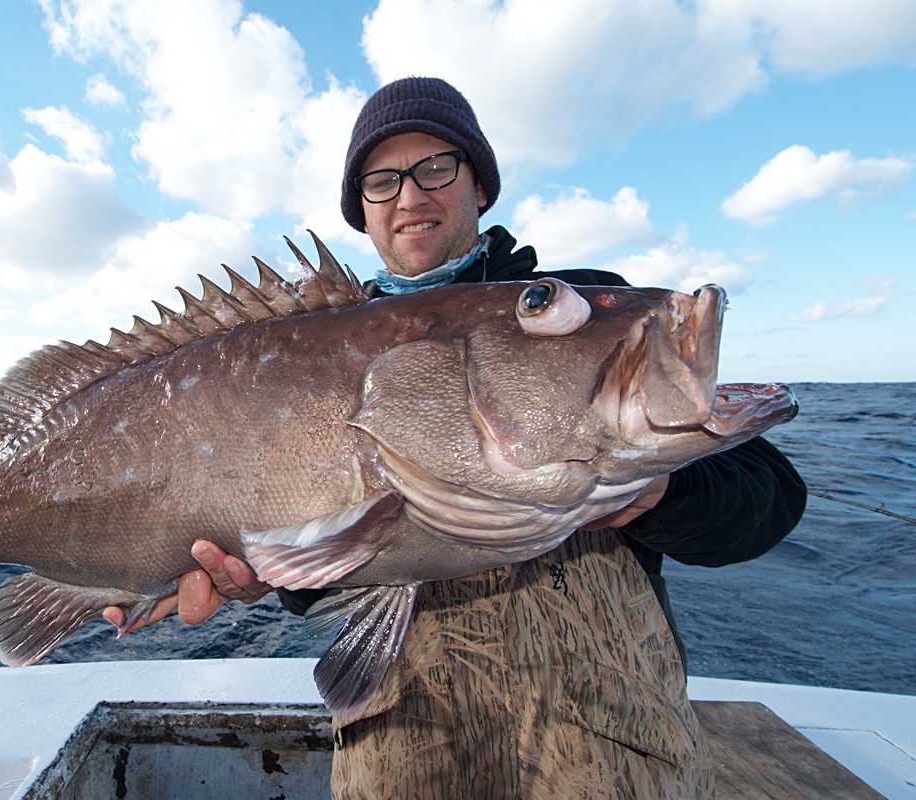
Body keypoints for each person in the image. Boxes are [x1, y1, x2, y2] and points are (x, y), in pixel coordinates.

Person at [104, 77, 807, 798]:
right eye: (382, 181)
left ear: (480, 185)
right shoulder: (304, 346)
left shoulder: (589, 301)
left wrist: (659, 490)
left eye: (436, 167)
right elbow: (313, 591)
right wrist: (259, 574)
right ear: (363, 211)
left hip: (609, 754)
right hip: (401, 754)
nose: (410, 196)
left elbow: (770, 501)